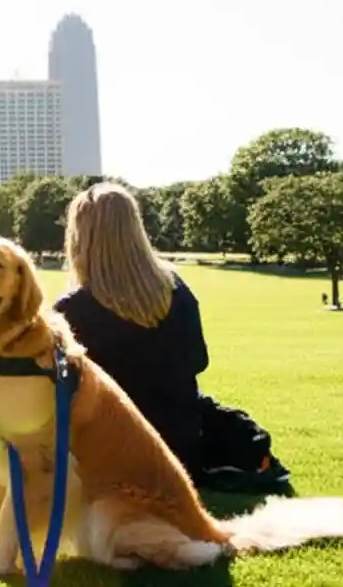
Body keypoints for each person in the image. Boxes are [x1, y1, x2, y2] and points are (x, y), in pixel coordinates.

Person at [53, 183, 289, 494]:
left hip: (112, 455)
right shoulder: (175, 290)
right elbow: (198, 361)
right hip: (181, 450)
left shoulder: (70, 311)